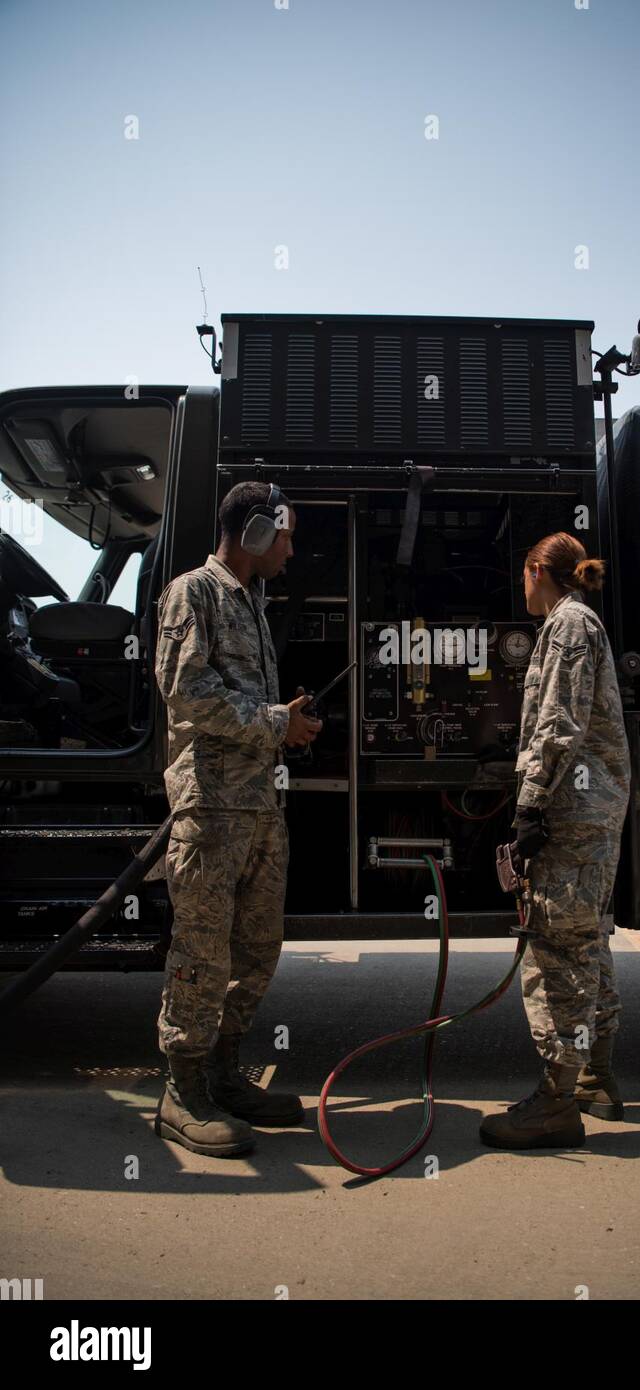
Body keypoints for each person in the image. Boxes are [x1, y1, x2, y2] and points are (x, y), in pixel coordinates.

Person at [152, 482, 322, 1157]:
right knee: (201, 950)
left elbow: (240, 705)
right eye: (285, 534)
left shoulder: (251, 600)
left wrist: (286, 727)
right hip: (212, 808)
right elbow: (186, 694)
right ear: (255, 532)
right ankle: (182, 1091)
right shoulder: (193, 592)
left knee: (254, 950)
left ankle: (222, 1073)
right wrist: (275, 723)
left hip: (255, 805)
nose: (290, 548)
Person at [479, 531, 631, 1150]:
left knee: (557, 948)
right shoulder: (580, 623)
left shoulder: (568, 626)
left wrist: (531, 805)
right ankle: (594, 1076)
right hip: (592, 811)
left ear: (538, 569)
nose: (522, 587)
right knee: (587, 939)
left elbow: (558, 724)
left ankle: (556, 1101)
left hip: (572, 812)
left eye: (524, 575)